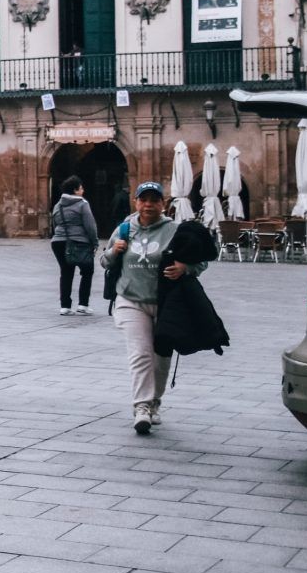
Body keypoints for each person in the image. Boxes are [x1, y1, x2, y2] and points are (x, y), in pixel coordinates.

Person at [109, 180, 209, 435]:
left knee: (161, 358)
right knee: (141, 353)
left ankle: (155, 401)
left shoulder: (175, 230)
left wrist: (185, 268)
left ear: (163, 204)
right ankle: (141, 406)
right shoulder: (123, 229)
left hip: (166, 304)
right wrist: (113, 252)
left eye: (154, 200)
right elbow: (104, 260)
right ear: (136, 202)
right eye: (144, 199)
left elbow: (200, 261)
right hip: (130, 300)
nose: (148, 205)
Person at [48, 175, 100, 315]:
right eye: (81, 188)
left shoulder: (58, 205)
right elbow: (90, 225)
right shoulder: (82, 203)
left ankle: (65, 307)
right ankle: (83, 305)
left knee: (66, 272)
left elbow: (55, 224)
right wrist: (95, 242)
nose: (83, 190)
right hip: (79, 242)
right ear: (75, 190)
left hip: (58, 242)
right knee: (87, 272)